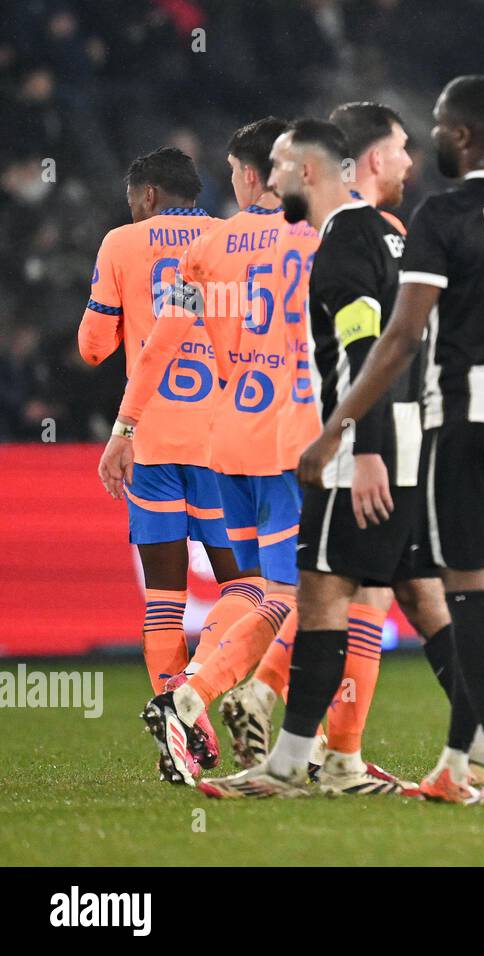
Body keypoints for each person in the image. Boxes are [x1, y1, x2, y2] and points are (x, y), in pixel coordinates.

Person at [298, 75, 484, 805]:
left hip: (463, 426)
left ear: (459, 136)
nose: (426, 139)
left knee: (464, 598)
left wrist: (337, 429)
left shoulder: (443, 214)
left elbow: (396, 341)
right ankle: (456, 765)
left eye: (433, 124)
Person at [197, 118, 425, 798]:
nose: (269, 180)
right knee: (371, 595)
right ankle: (321, 759)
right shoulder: (385, 233)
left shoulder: (348, 237)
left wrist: (358, 445)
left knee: (343, 595)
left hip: (357, 443)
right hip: (384, 436)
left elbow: (369, 352)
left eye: (279, 166)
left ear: (315, 171)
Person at [83, 146, 253, 779]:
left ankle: (184, 723)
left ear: (148, 195)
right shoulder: (231, 241)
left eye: (133, 200)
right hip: (224, 442)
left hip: (149, 439)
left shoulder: (121, 243)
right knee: (252, 587)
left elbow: (94, 347)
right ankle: (194, 693)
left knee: (163, 596)